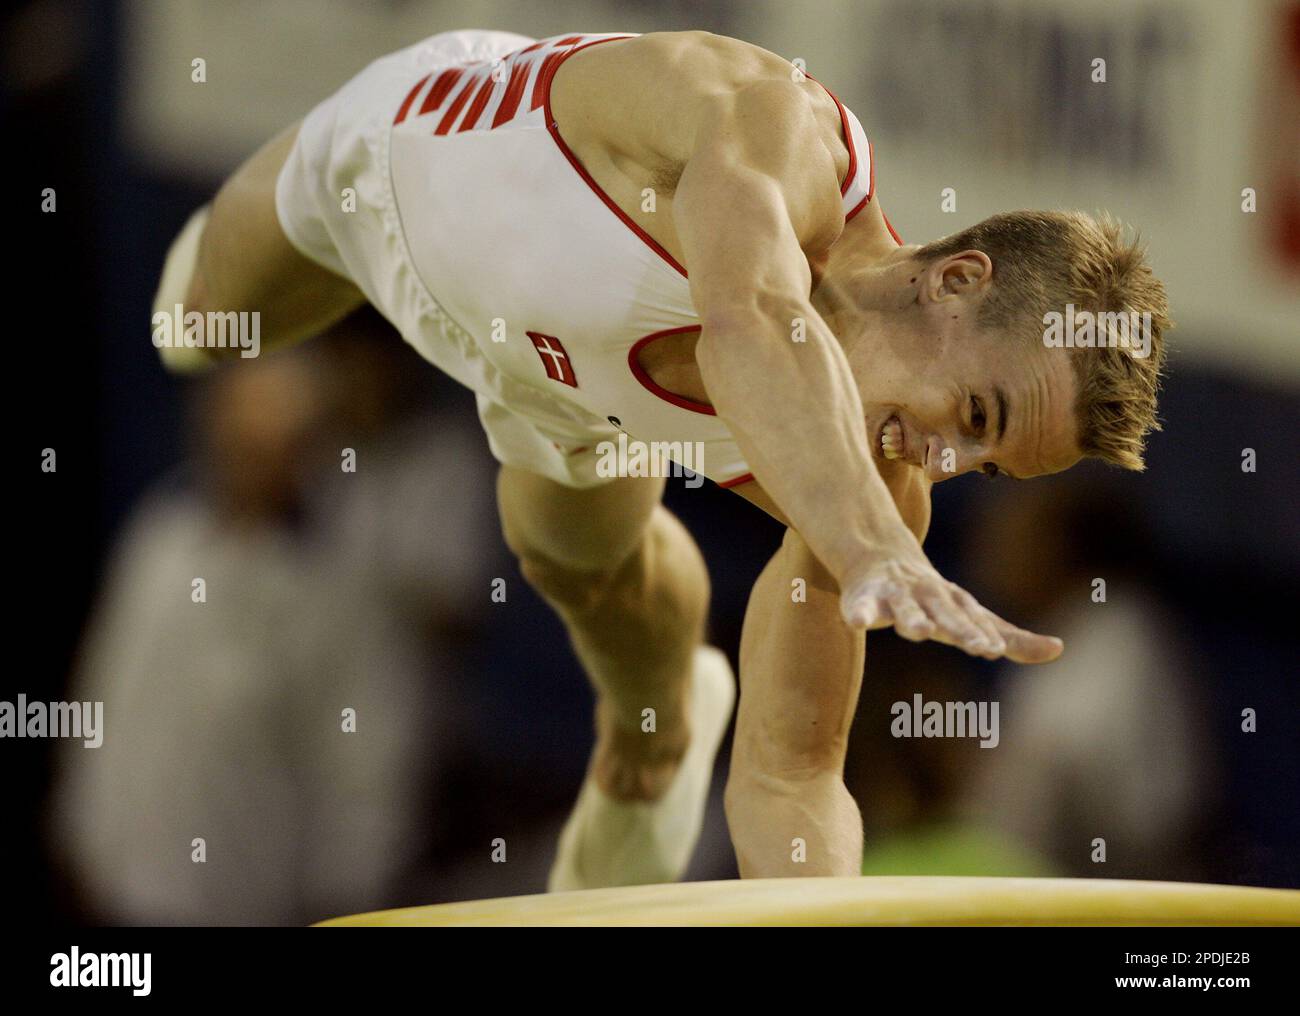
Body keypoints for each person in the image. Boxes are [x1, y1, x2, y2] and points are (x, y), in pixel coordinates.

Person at [151, 29, 1170, 884]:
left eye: (982, 468)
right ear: (957, 278)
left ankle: (658, 729)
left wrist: (818, 915)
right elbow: (751, 318)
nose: (942, 459)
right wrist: (862, 541)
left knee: (570, 561)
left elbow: (791, 780)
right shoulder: (778, 130)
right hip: (380, 168)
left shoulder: (879, 499)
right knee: (188, 326)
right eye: (977, 414)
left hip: (554, 394)